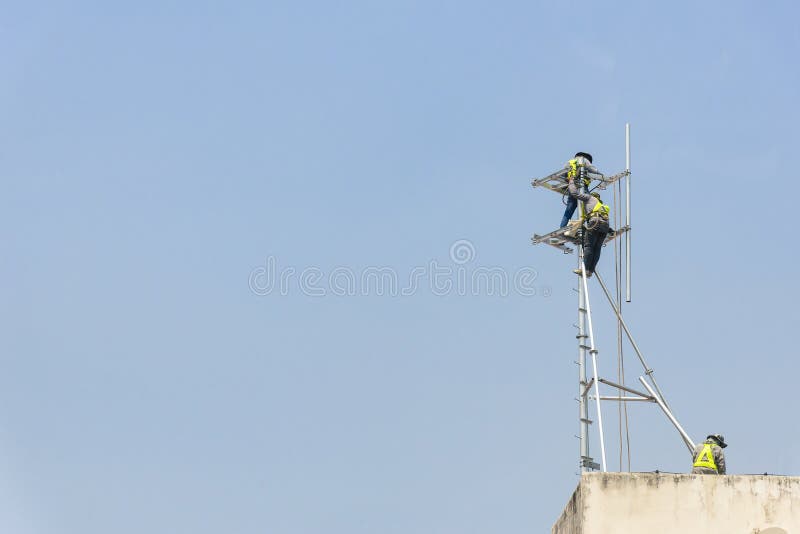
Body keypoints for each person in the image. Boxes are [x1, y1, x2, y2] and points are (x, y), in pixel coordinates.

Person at [568, 183, 611, 278]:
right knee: (597, 248)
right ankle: (590, 271)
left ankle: (585, 269)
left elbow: (575, 193)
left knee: (589, 246)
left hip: (595, 223)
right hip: (605, 226)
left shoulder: (589, 198)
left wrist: (571, 182)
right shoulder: (602, 206)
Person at [560, 152, 603, 228]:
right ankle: (592, 225)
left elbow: (563, 175)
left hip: (572, 187)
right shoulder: (584, 160)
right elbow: (593, 169)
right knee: (589, 205)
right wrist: (601, 175)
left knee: (569, 210)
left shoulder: (569, 162)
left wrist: (568, 184)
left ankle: (562, 227)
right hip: (582, 187)